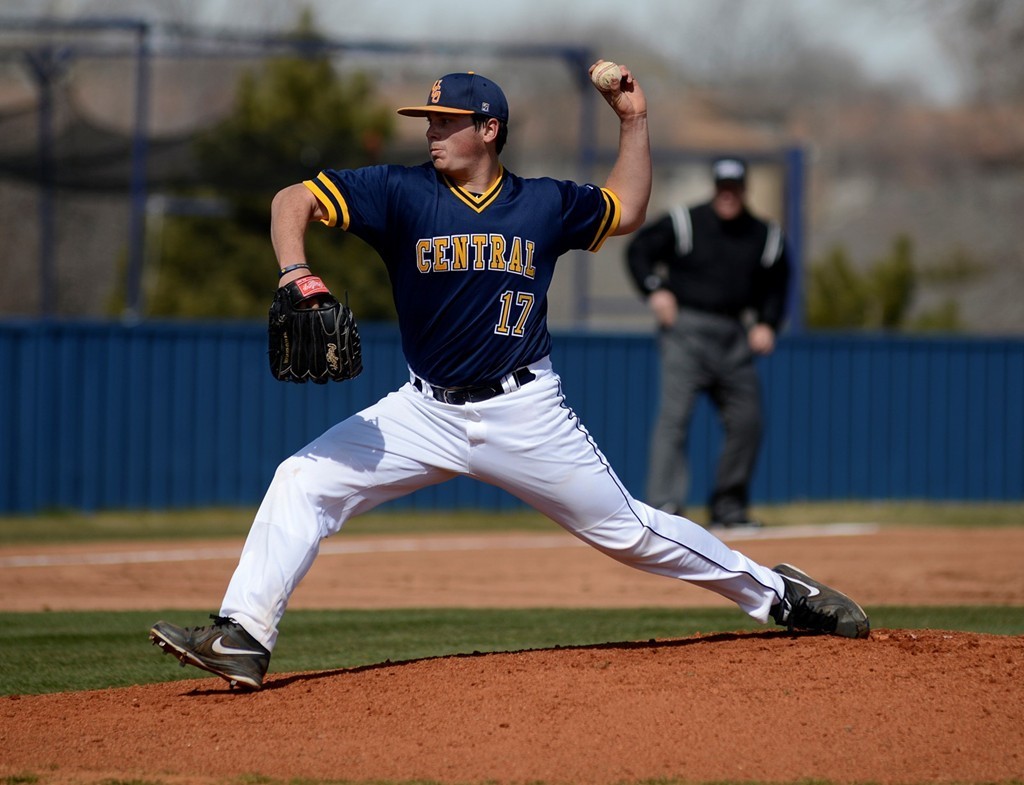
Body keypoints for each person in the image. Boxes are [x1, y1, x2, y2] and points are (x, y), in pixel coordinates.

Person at [149, 66, 867, 691]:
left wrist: (634, 121)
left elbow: (627, 209)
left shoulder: (544, 202)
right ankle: (245, 634)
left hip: (524, 409)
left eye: (446, 121)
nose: (431, 131)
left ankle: (779, 594)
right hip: (423, 411)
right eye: (429, 120)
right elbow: (292, 199)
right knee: (302, 479)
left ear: (489, 129)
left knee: (630, 533)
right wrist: (296, 271)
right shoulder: (398, 191)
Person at [625, 157, 791, 529]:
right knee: (674, 420)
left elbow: (778, 283)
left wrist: (768, 323)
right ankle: (665, 507)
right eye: (722, 188)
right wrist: (655, 289)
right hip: (686, 331)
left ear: (744, 190)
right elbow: (639, 251)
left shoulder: (764, 234)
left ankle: (728, 507)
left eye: (734, 189)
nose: (728, 195)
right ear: (715, 188)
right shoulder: (686, 221)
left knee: (748, 420)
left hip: (734, 335)